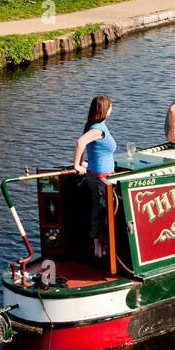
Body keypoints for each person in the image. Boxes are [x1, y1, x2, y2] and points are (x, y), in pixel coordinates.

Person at [73, 95, 116, 260]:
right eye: (110, 106)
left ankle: (100, 245)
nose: (112, 109)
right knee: (99, 211)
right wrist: (77, 165)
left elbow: (86, 145)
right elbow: (80, 142)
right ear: (105, 109)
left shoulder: (96, 126)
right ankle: (98, 247)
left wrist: (83, 161)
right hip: (99, 178)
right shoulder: (98, 129)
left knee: (99, 210)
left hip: (102, 175)